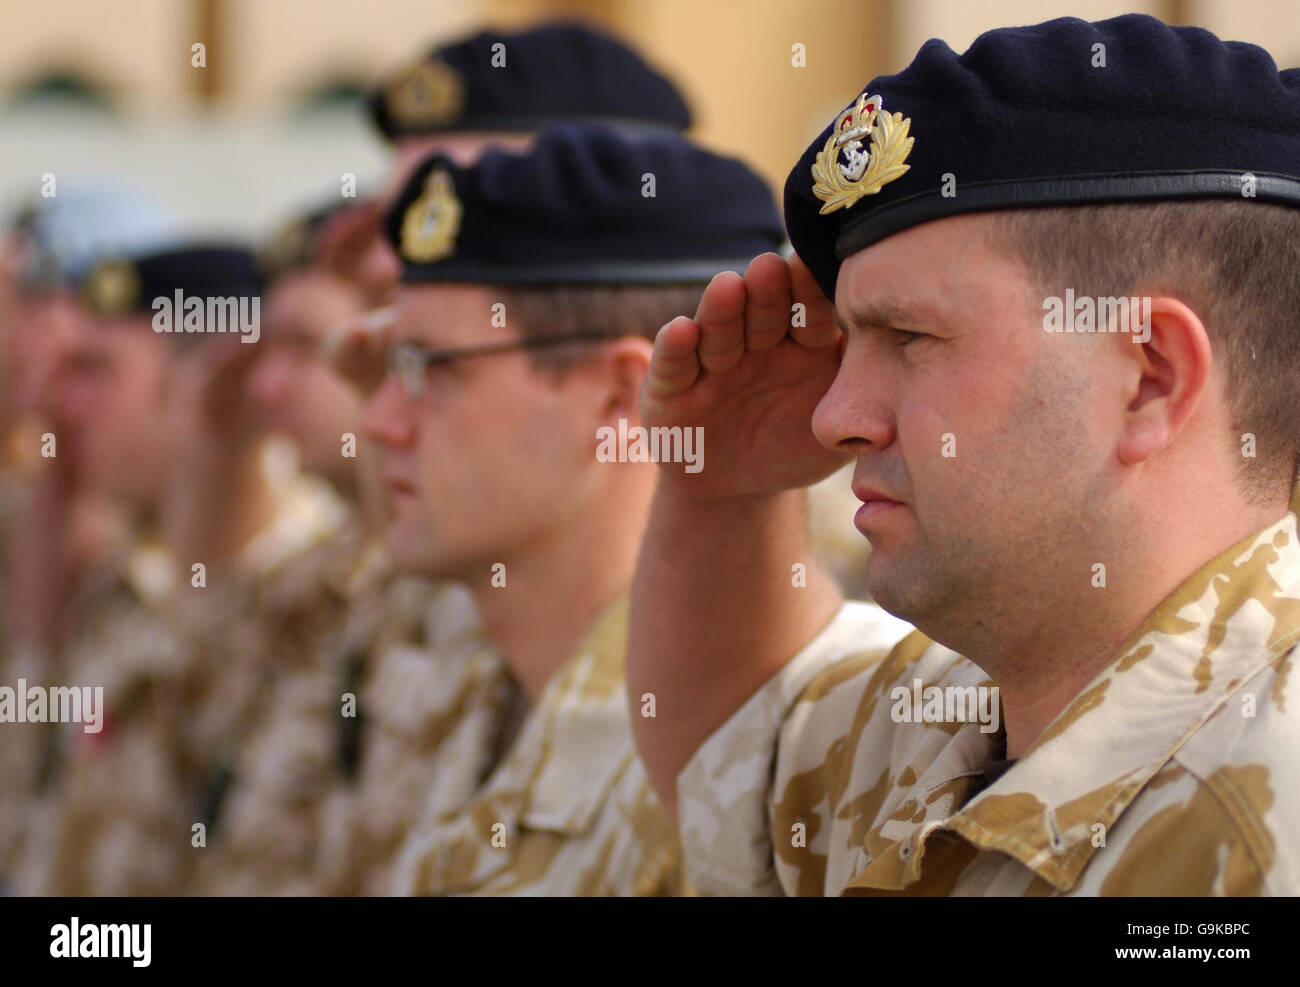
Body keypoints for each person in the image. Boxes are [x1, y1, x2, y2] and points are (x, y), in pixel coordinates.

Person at [626, 14, 1300, 896]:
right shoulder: (973, 710)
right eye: (846, 346)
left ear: (1149, 378)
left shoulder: (1268, 821)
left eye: (908, 334)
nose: (835, 416)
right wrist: (724, 492)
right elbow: (729, 757)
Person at [357, 123, 792, 894]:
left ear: (620, 397)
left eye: (431, 369)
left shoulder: (741, 769)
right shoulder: (468, 709)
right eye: (393, 366)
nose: (380, 419)